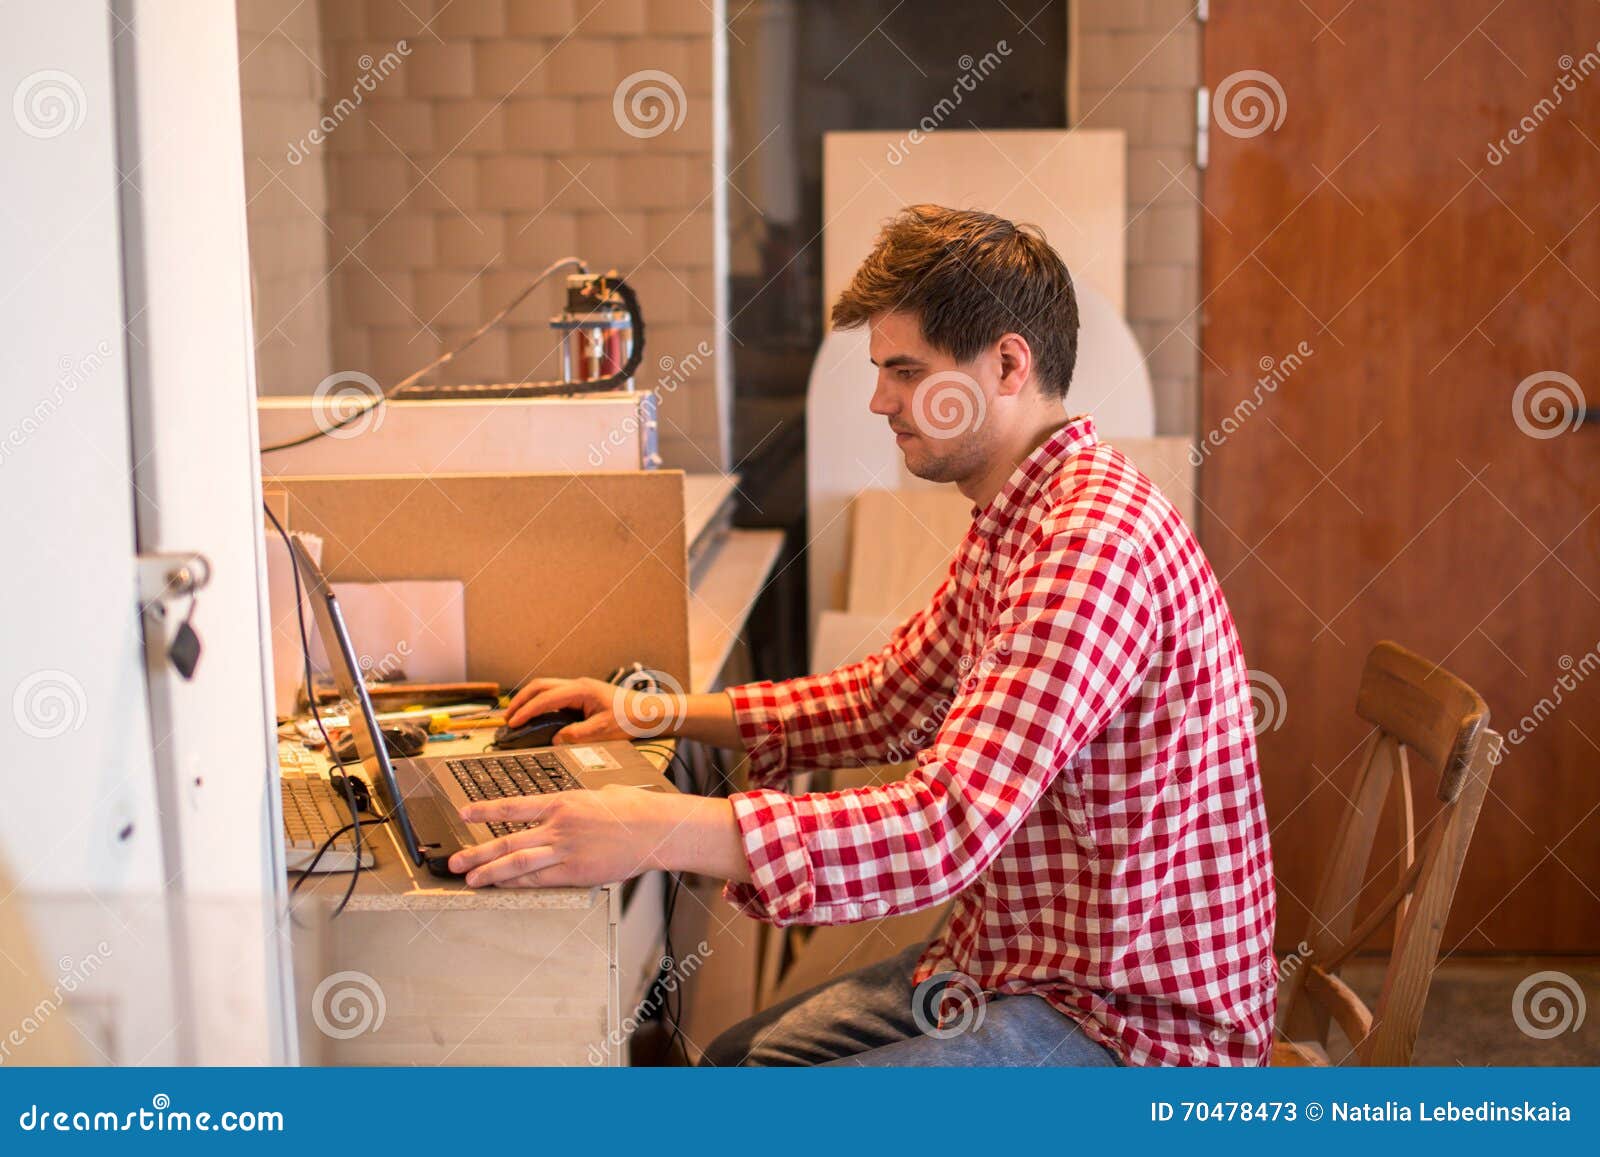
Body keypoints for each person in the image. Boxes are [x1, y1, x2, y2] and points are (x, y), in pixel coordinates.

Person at [448, 205, 1276, 1067]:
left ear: (1005, 364)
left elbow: (944, 827)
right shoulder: (1019, 513)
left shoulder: (1089, 546)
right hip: (1023, 962)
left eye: (906, 372)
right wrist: (654, 713)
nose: (879, 401)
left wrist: (656, 826)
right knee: (739, 1062)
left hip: (1132, 1025)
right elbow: (890, 699)